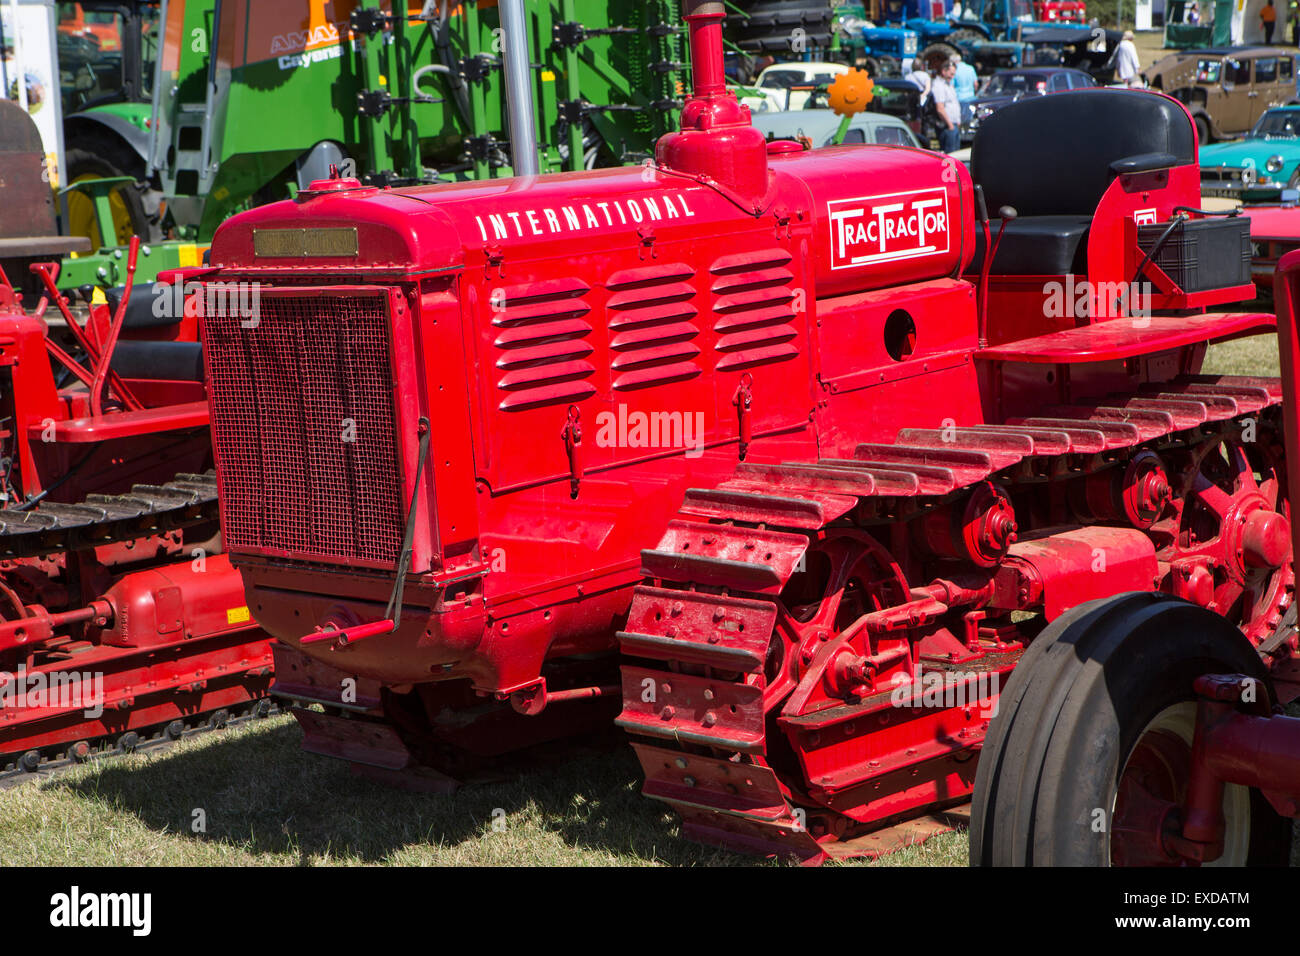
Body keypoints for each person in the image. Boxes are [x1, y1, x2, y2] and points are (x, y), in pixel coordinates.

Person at [929, 57, 961, 153]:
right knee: (950, 156)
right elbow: (940, 108)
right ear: (944, 71)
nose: (952, 77)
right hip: (946, 126)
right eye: (951, 74)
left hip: (953, 125)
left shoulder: (949, 85)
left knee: (957, 155)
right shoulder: (939, 86)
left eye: (954, 74)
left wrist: (957, 121)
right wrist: (950, 125)